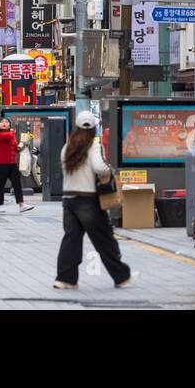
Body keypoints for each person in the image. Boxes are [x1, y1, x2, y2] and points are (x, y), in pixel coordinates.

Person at [54, 111, 134, 289]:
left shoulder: (67, 147)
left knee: (71, 239)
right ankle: (121, 275)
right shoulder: (93, 146)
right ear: (93, 128)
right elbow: (100, 168)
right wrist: (110, 170)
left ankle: (65, 278)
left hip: (68, 199)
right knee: (104, 239)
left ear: (76, 127)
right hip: (87, 199)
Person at [0, 117, 33, 212]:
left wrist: (23, 144)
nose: (4, 123)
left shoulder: (11, 135)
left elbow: (15, 149)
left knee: (17, 184)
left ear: (9, 125)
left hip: (12, 163)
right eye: (2, 122)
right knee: (1, 185)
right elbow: (8, 136)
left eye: (6, 122)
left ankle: (21, 204)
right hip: (0, 163)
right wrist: (14, 131)